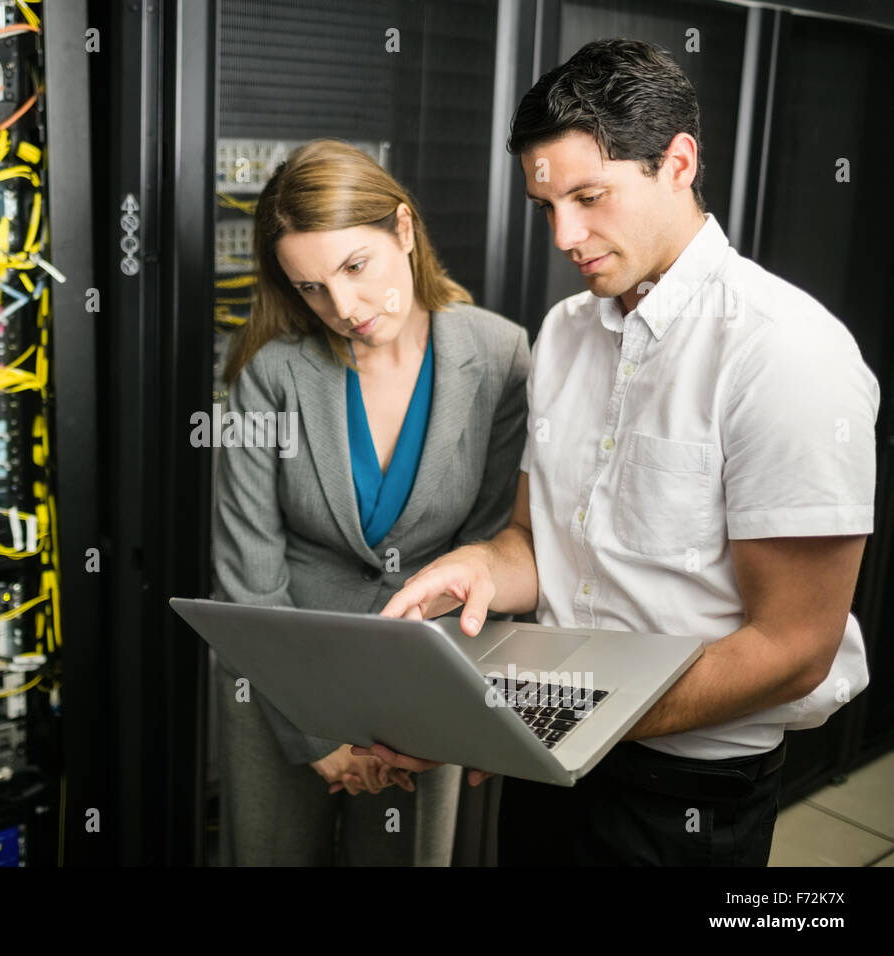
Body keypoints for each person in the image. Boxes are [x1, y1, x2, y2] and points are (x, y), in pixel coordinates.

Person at [371, 38, 878, 866]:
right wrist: (479, 568)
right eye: (546, 206)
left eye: (589, 196)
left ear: (677, 162)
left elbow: (794, 648)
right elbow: (540, 545)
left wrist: (539, 712)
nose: (565, 235)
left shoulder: (787, 351)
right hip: (549, 751)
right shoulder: (567, 332)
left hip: (684, 787)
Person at [212, 139, 530, 866]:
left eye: (355, 268)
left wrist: (425, 719)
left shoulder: (501, 357)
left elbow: (488, 554)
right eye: (312, 288)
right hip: (278, 683)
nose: (343, 307)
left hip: (425, 680)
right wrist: (315, 738)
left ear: (404, 230)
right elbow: (246, 576)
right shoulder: (270, 376)